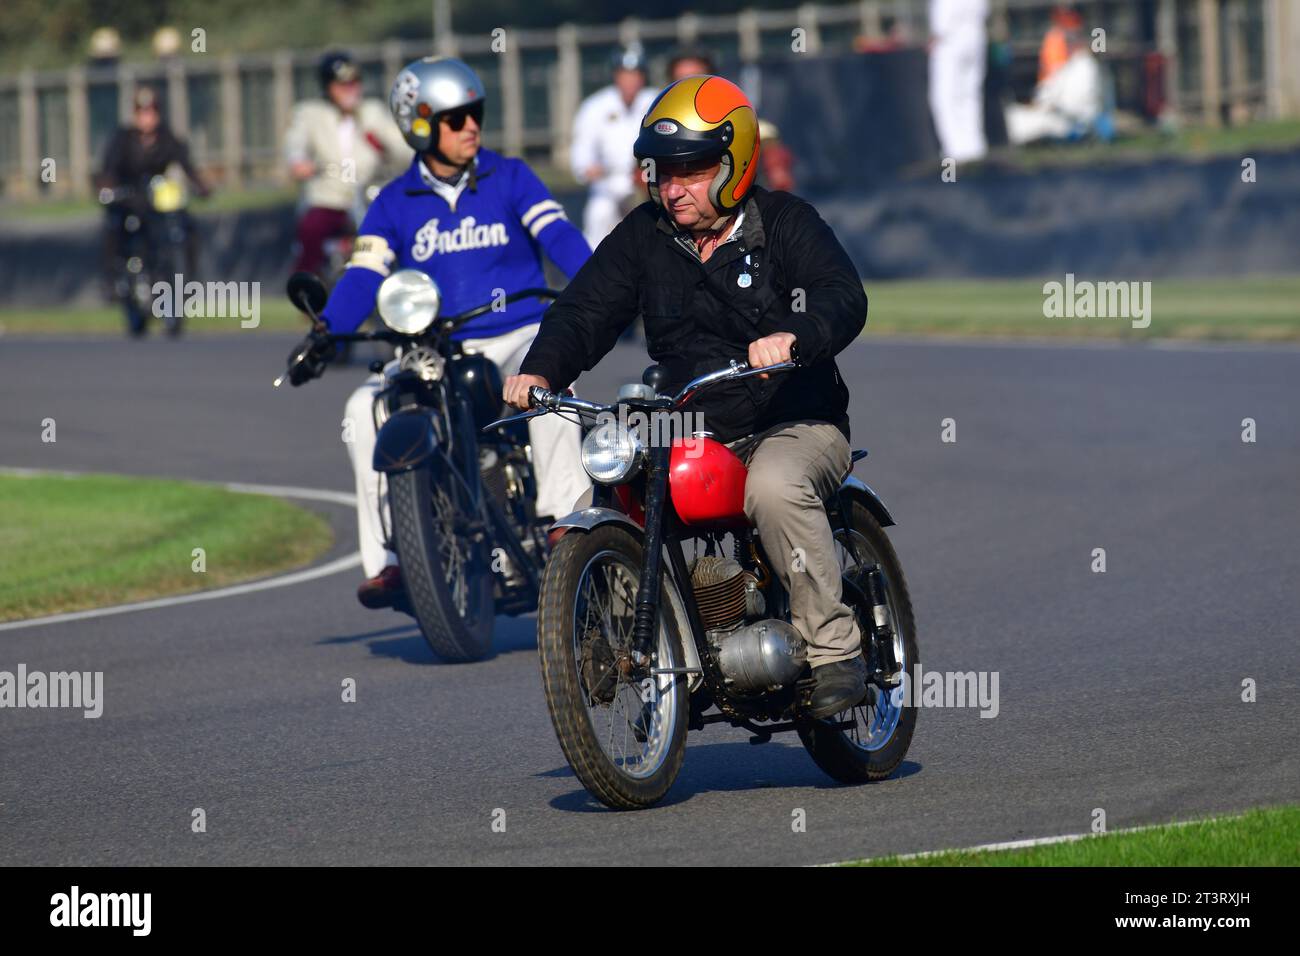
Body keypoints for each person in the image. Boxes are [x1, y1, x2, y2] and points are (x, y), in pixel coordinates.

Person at [503, 75, 871, 718]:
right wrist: (541, 370)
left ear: (733, 164)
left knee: (775, 488)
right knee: (618, 479)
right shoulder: (643, 237)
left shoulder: (785, 223)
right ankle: (634, 644)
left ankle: (833, 649)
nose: (674, 188)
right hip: (692, 420)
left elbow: (843, 295)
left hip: (795, 416)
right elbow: (583, 311)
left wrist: (796, 335)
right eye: (664, 172)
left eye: (693, 170)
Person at [286, 56, 592, 610]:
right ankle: (394, 560)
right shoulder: (392, 203)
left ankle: (564, 522)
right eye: (455, 119)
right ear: (419, 125)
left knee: (546, 381)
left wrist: (604, 289)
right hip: (434, 349)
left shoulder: (512, 176)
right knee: (362, 408)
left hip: (520, 333)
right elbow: (362, 276)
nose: (471, 127)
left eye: (475, 114)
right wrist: (326, 332)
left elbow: (563, 238)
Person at [284, 51, 410, 277]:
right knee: (312, 230)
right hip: (328, 198)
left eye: (354, 84)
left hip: (369, 195)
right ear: (328, 88)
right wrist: (299, 163)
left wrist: (387, 145)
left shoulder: (372, 112)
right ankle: (307, 288)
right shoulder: (311, 114)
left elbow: (402, 148)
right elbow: (295, 144)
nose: (350, 91)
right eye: (342, 86)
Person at [97, 86, 210, 299]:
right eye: (142, 112)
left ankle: (185, 281)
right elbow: (108, 169)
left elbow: (186, 166)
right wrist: (107, 188)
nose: (147, 117)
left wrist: (200, 186)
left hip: (156, 201)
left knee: (186, 226)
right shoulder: (123, 139)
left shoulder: (167, 138)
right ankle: (112, 279)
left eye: (151, 112)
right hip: (128, 198)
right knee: (113, 225)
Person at [667, 50, 796, 193]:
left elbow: (766, 139)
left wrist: (776, 168)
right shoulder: (661, 124)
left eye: (697, 80)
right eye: (682, 81)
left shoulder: (734, 115)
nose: (690, 88)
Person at [570, 45, 658, 249]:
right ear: (616, 76)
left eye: (635, 74)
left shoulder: (655, 100)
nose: (631, 80)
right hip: (608, 186)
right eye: (625, 74)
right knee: (599, 214)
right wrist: (590, 169)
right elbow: (581, 156)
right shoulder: (595, 107)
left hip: (648, 184)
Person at [1005, 21, 1104, 144]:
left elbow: (1079, 105)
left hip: (1068, 121)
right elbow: (1049, 91)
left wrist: (1050, 106)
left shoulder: (1086, 66)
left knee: (1018, 120)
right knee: (1013, 113)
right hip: (1054, 112)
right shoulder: (1070, 65)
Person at [927, 0, 990, 164]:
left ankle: (954, 152)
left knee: (945, 97)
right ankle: (973, 147)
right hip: (975, 32)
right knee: (970, 95)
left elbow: (944, 12)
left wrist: (938, 32)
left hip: (951, 36)